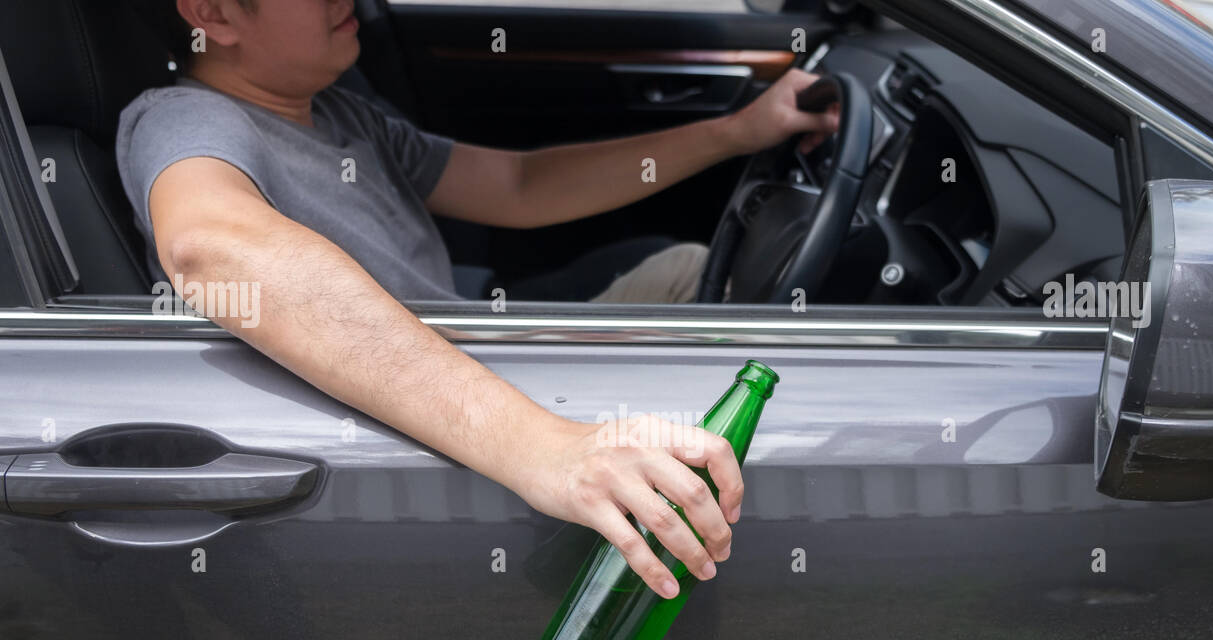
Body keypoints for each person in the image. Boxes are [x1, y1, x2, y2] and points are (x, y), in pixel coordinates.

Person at [118, 0, 838, 597]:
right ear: (214, 14)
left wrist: (740, 131)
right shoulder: (185, 119)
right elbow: (210, 246)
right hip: (446, 417)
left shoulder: (341, 116)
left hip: (473, 366)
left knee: (687, 269)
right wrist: (545, 448)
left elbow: (520, 186)